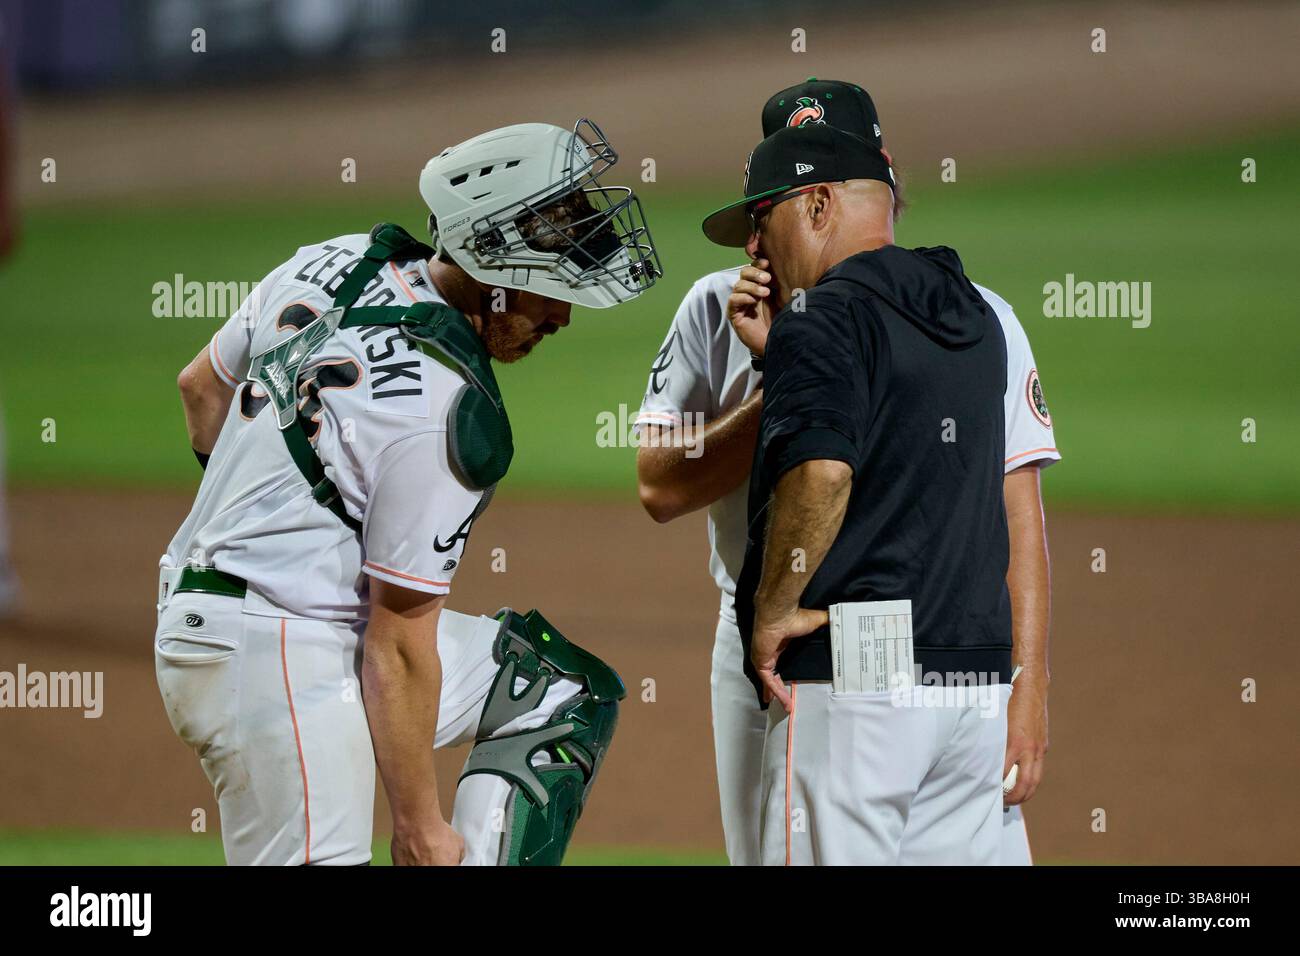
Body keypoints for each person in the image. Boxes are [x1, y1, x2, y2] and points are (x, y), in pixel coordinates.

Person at [156, 119, 661, 865]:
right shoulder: (444, 411)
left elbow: (200, 389)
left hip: (223, 612)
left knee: (554, 690)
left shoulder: (332, 259)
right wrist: (420, 827)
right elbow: (397, 645)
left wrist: (272, 524)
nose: (561, 315)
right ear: (491, 270)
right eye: (550, 291)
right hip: (275, 656)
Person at [636, 80, 1053, 865]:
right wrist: (781, 376)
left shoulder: (965, 313)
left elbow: (1013, 514)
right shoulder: (724, 307)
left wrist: (1030, 688)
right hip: (910, 654)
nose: (752, 250)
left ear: (821, 203)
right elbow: (659, 485)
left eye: (763, 223)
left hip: (833, 646)